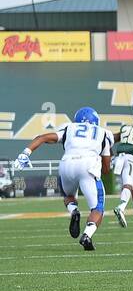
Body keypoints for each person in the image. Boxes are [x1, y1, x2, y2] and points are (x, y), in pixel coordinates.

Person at [13, 107, 113, 250]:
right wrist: (102, 169)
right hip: (87, 166)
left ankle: (74, 212)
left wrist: (25, 153)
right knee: (97, 208)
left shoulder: (69, 128)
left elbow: (41, 138)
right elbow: (106, 168)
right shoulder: (104, 133)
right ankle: (87, 235)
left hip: (66, 165)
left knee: (69, 195)